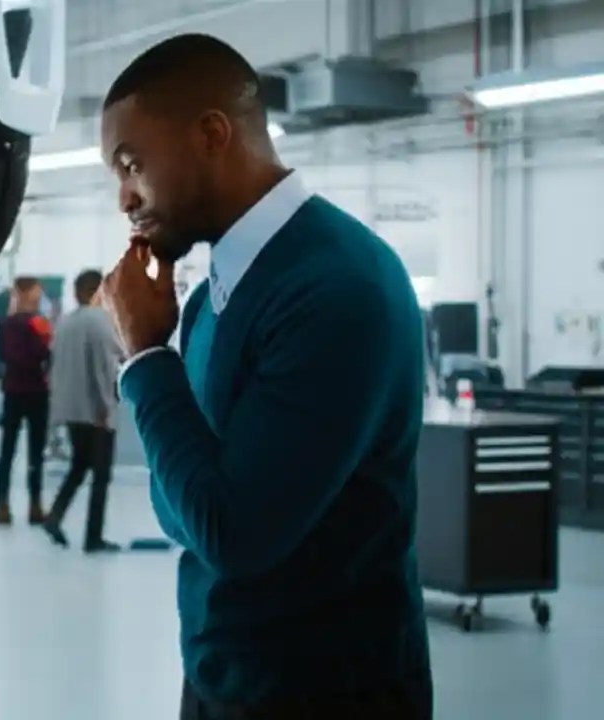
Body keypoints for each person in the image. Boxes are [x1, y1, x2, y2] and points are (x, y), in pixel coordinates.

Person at [96, 34, 432, 718]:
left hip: (326, 693)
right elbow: (179, 504)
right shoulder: (208, 298)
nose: (125, 198)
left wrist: (144, 357)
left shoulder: (336, 286)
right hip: (224, 674)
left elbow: (231, 533)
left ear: (212, 134)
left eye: (131, 165)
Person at [43, 270, 125, 553]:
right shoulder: (100, 321)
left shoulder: (65, 323)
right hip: (95, 411)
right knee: (100, 476)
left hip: (71, 410)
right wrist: (104, 406)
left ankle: (54, 515)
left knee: (79, 467)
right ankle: (93, 538)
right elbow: (105, 365)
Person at [0, 276, 52, 526]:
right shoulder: (38, 324)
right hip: (36, 391)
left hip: (12, 390)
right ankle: (35, 506)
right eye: (37, 293)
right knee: (35, 452)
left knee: (7, 450)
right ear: (28, 294)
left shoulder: (4, 324)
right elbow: (45, 353)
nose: (39, 297)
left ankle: (3, 506)